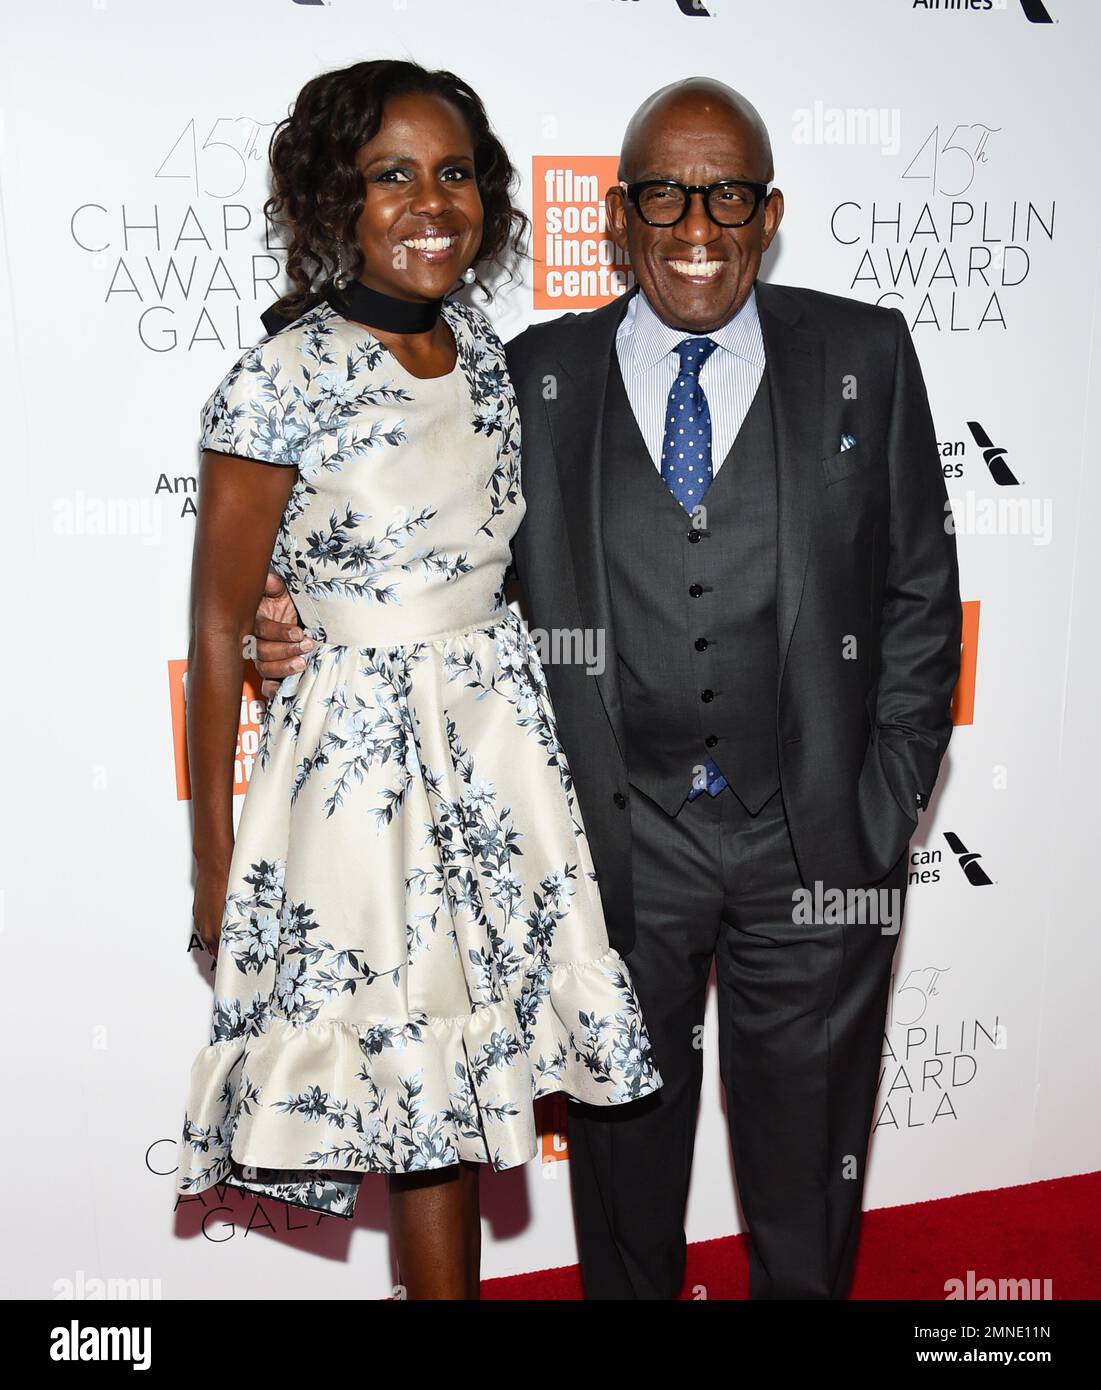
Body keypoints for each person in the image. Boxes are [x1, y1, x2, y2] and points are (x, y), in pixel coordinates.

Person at [252, 77, 963, 1300]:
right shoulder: (532, 376)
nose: (698, 226)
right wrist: (307, 628)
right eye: (665, 196)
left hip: (816, 845)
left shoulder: (864, 354)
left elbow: (919, 595)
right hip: (610, 854)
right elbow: (435, 559)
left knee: (809, 1180)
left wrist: (882, 806)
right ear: (619, 217)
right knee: (625, 1194)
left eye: (728, 195)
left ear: (769, 212)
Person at [175, 58, 661, 1301]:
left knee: (452, 1085)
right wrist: (214, 861)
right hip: (359, 772)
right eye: (391, 173)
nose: (430, 203)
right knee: (403, 1078)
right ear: (333, 197)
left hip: (494, 759)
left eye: (454, 173)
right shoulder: (280, 377)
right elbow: (221, 625)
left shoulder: (487, 353)